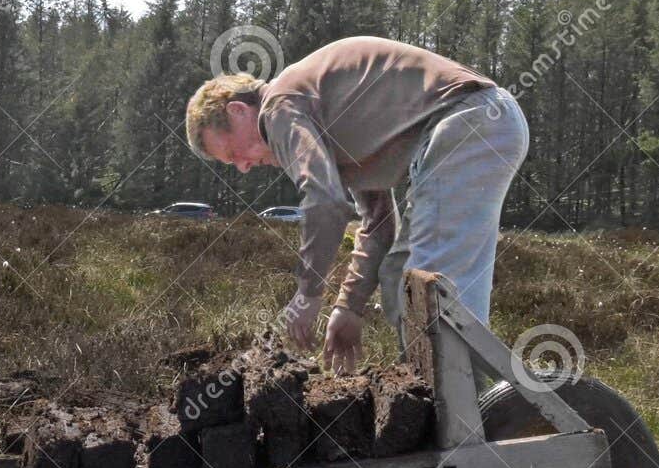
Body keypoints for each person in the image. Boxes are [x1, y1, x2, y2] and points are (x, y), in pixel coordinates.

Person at [185, 36, 529, 372]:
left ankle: (462, 419)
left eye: (233, 153)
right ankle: (438, 400)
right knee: (401, 275)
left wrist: (308, 294)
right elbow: (379, 224)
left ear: (238, 110)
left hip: (471, 122)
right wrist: (349, 308)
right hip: (479, 122)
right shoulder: (317, 112)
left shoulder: (279, 106)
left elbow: (325, 200)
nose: (244, 166)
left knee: (431, 285)